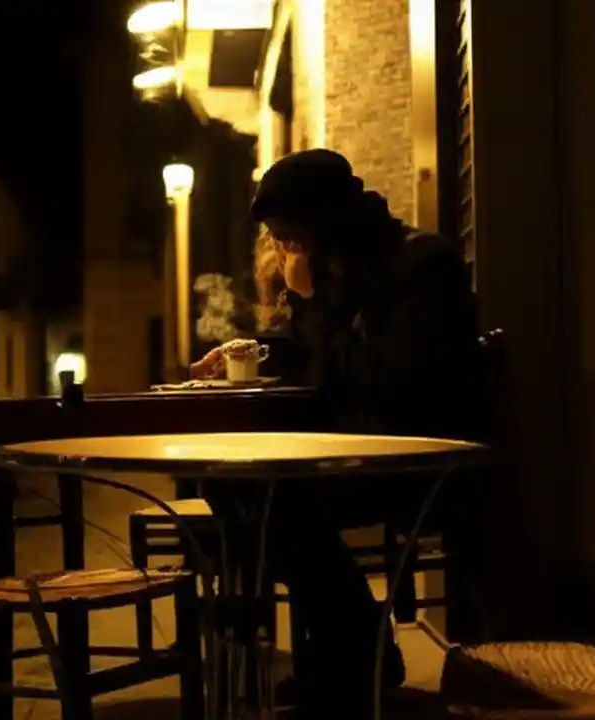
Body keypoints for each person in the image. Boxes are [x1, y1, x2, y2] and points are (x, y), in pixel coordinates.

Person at [191, 149, 481, 718]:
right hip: (360, 446)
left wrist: (309, 301)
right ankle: (349, 646)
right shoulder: (348, 269)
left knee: (273, 500)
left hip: (419, 454)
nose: (283, 253)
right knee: (234, 487)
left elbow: (384, 383)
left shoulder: (419, 265)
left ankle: (350, 651)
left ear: (322, 226)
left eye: (289, 239)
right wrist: (252, 350)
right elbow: (310, 349)